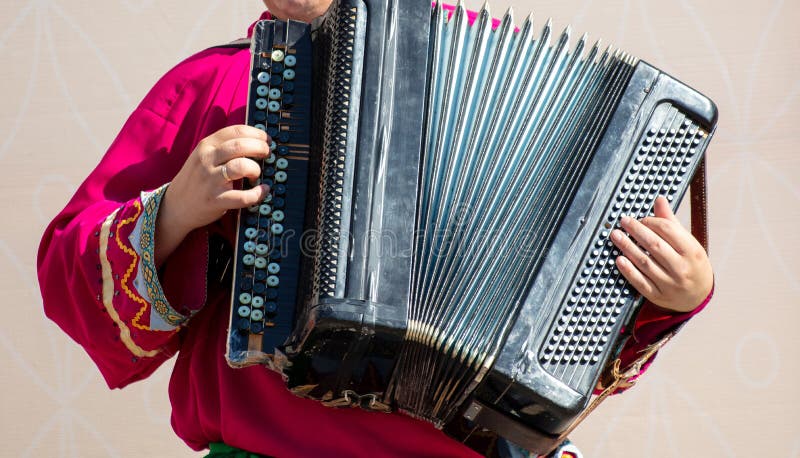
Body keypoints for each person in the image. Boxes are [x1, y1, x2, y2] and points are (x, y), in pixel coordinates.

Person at [36, 0, 714, 456]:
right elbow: (67, 265)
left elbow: (594, 292)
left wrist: (674, 296)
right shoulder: (210, 84)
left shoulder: (499, 67)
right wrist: (174, 211)